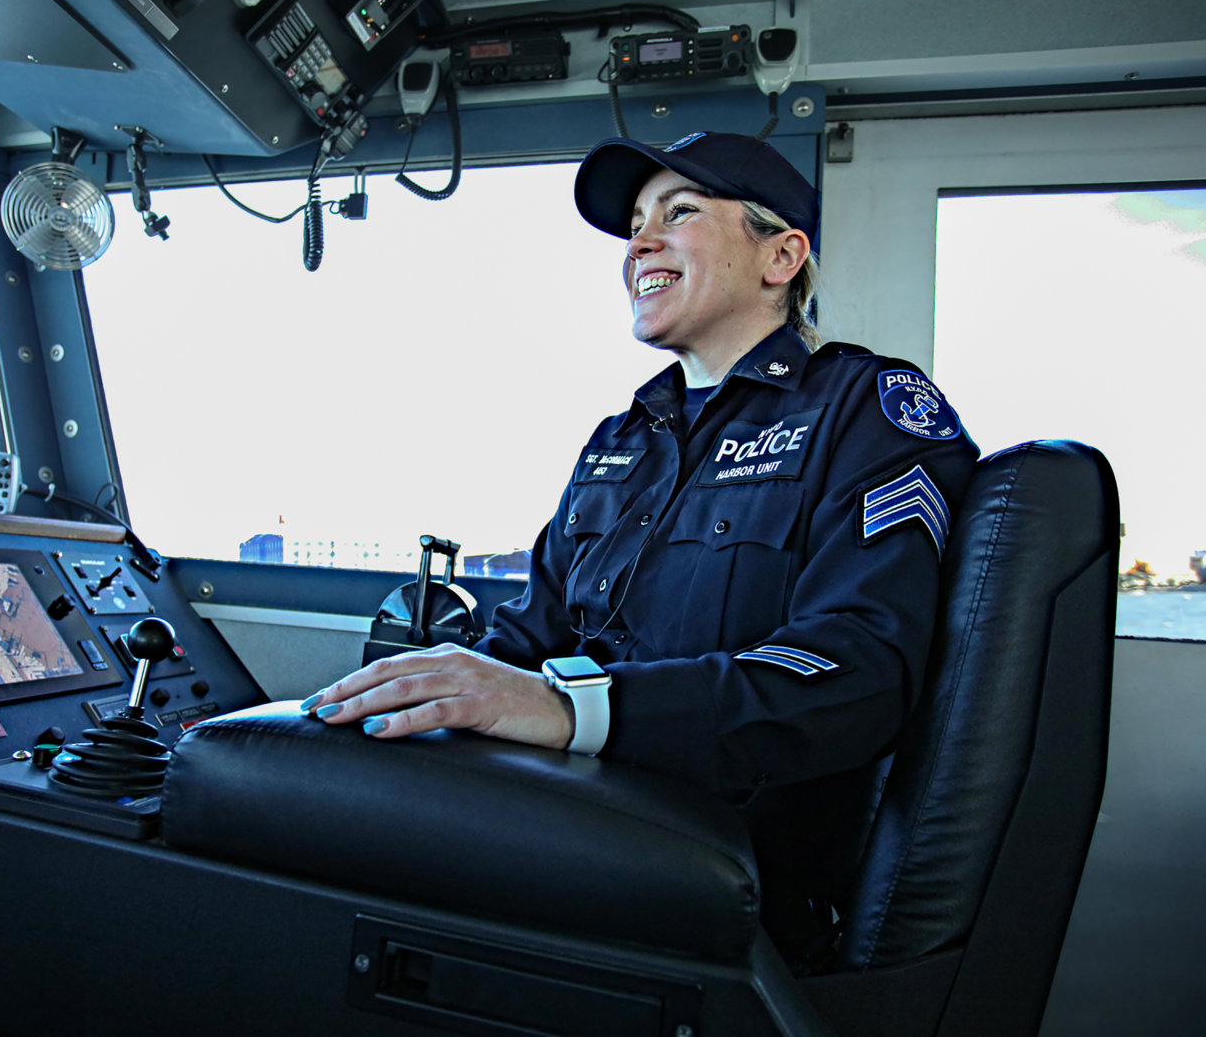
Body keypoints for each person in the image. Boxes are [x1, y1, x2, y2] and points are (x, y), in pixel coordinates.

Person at [299, 131, 979, 957]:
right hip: (564, 816)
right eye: (634, 224)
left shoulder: (866, 409)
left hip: (718, 865)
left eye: (679, 211)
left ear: (782, 256)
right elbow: (528, 632)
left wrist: (574, 708)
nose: (640, 244)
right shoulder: (620, 438)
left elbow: (857, 671)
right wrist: (427, 686)